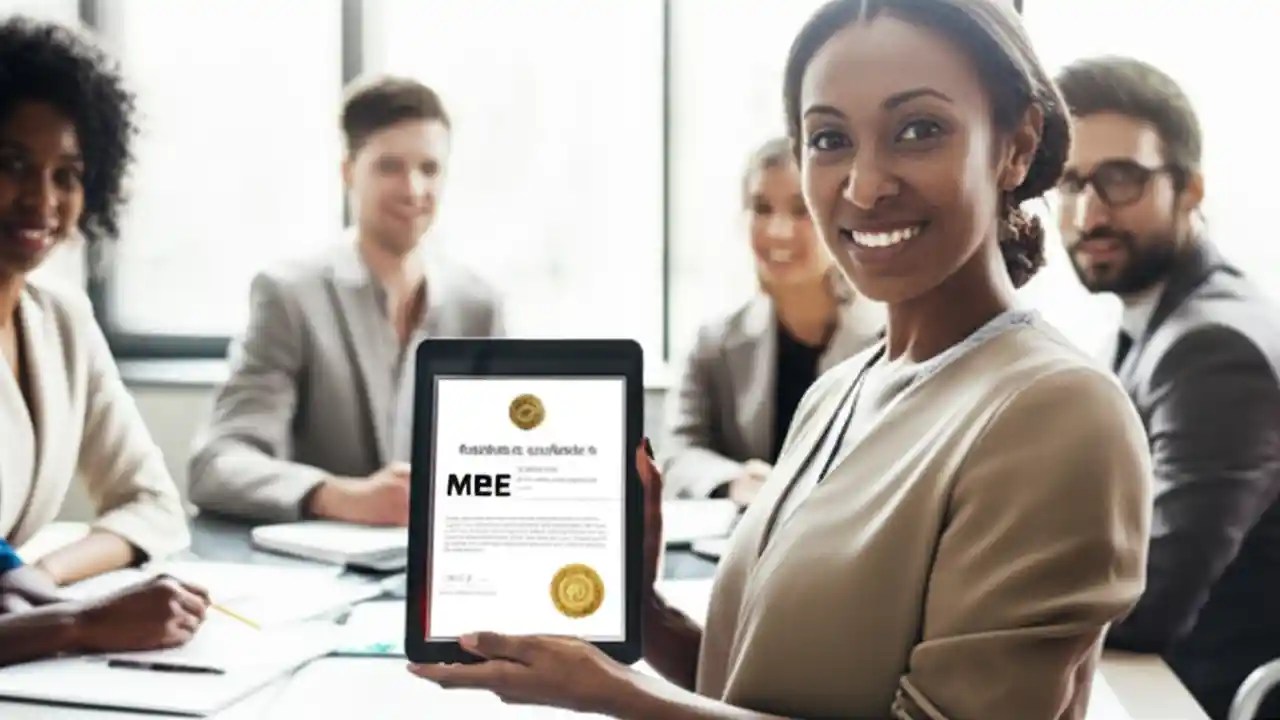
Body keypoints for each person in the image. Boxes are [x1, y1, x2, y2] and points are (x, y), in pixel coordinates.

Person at [407, 1, 1152, 717]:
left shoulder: (1059, 412)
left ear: (1016, 145)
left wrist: (614, 695)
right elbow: (754, 684)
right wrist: (643, 613)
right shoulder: (841, 390)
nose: (864, 185)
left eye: (919, 130)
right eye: (829, 139)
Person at [1055, 56, 1280, 720]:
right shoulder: (1152, 323)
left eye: (1121, 179)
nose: (1089, 213)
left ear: (1190, 190)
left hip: (1198, 698)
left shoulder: (1212, 348)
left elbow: (1151, 602)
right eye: (1069, 183)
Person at [188, 75, 504, 526]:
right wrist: (340, 497)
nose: (414, 189)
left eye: (430, 169)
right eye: (390, 167)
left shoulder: (479, 304)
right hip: (325, 558)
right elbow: (217, 464)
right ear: (348, 172)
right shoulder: (290, 294)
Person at [0, 16, 208, 664]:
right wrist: (75, 624)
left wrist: (38, 577)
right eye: (12, 165)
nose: (42, 199)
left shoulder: (61, 321)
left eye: (67, 174)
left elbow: (152, 504)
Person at [662, 137, 883, 505]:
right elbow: (677, 453)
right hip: (746, 534)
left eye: (801, 210)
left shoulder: (892, 338)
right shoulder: (714, 343)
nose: (778, 231)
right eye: (761, 208)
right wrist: (734, 481)